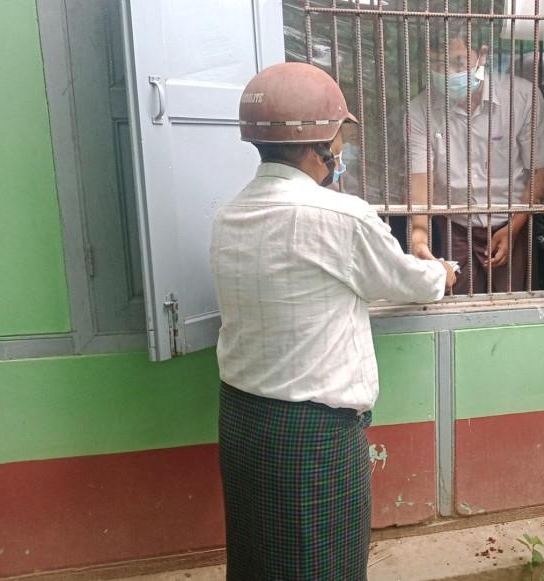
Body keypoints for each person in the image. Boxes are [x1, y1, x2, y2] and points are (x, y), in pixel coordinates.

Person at [210, 62, 456, 580]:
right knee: (326, 564)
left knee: (258, 563)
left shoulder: (229, 214)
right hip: (313, 432)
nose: (341, 151)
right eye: (339, 137)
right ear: (320, 145)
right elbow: (406, 281)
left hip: (241, 421)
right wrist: (444, 274)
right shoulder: (340, 216)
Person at [408, 10, 544, 295]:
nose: (448, 74)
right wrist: (419, 240)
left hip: (513, 220)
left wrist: (515, 226)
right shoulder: (420, 110)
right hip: (453, 227)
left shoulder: (523, 96)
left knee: (513, 306)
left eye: (458, 62)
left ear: (483, 55)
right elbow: (420, 184)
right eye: (438, 65)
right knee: (458, 306)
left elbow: (540, 169)